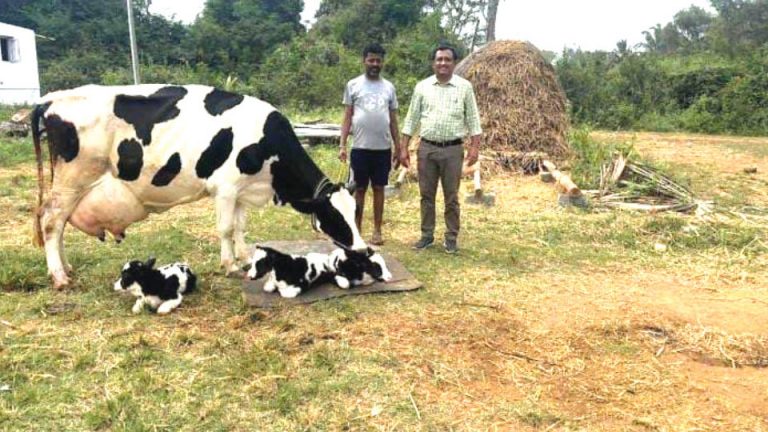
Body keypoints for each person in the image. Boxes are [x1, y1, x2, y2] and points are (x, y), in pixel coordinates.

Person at [398, 43, 482, 254]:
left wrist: (474, 149)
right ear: (433, 63)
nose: (443, 63)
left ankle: (451, 237)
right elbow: (411, 119)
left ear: (454, 63)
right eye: (439, 59)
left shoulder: (464, 87)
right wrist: (403, 148)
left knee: (451, 197)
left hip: (453, 150)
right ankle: (426, 235)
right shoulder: (422, 87)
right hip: (427, 149)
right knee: (426, 195)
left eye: (447, 59)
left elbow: (473, 120)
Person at [339, 43, 400, 246]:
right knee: (359, 189)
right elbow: (347, 117)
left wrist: (398, 148)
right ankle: (356, 232)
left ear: (382, 63)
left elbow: (393, 120)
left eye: (378, 60)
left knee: (379, 188)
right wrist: (342, 145)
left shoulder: (389, 87)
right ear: (364, 61)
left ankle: (377, 230)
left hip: (382, 149)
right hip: (360, 149)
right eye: (371, 60)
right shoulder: (353, 85)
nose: (375, 64)